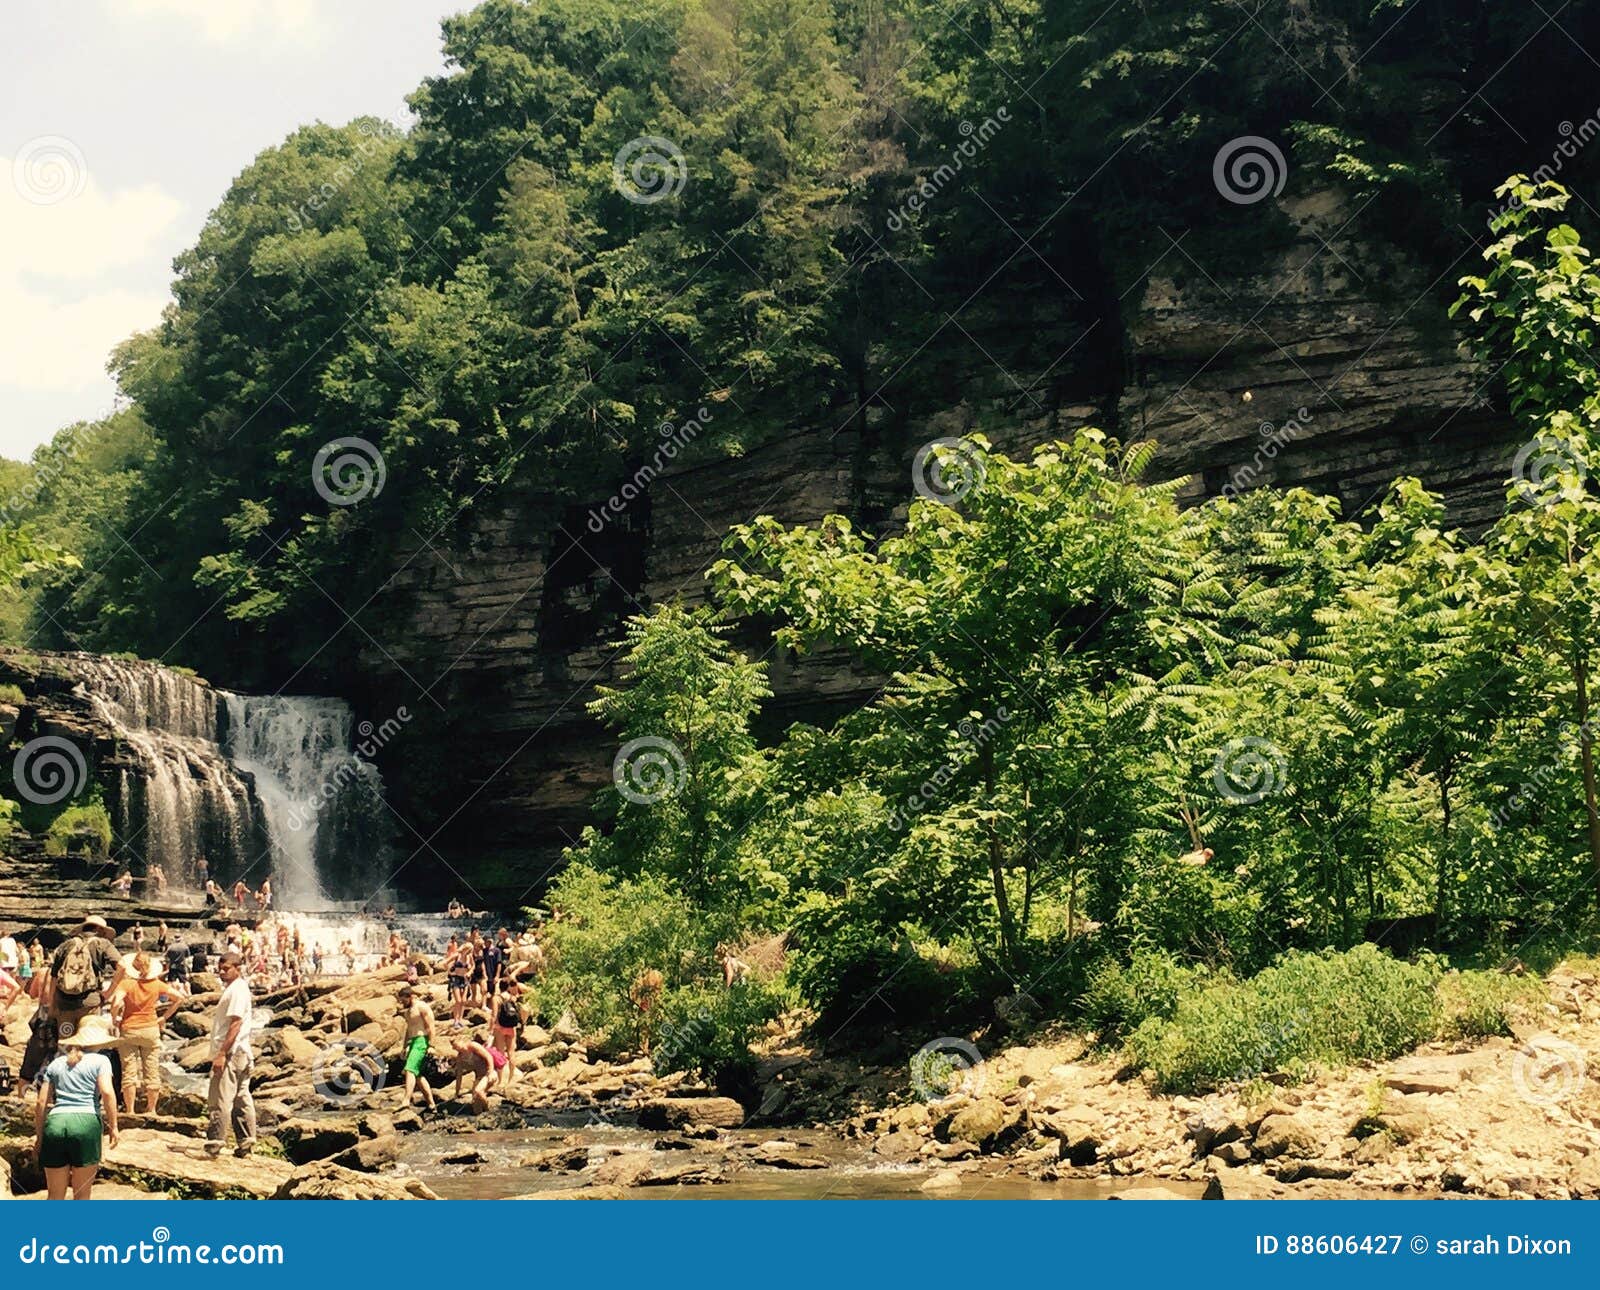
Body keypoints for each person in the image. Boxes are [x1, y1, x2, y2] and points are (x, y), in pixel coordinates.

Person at [33, 1014, 119, 1199]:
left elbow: (41, 1102)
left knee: (54, 1195)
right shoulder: (101, 1061)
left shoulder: (56, 1063)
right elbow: (107, 1092)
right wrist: (114, 1126)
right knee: (81, 1195)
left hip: (55, 1123)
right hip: (86, 1123)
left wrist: (40, 1137)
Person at [110, 952, 178, 1115]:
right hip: (150, 1029)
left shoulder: (126, 984)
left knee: (129, 1071)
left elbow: (115, 1002)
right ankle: (151, 1110)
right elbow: (179, 998)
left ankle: (130, 1110)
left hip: (129, 1029)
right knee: (152, 1070)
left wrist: (115, 1018)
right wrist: (163, 1018)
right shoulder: (156, 984)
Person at [205, 951, 255, 1159]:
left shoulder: (236, 991)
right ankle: (246, 1142)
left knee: (221, 1098)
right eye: (220, 969)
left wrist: (222, 1053)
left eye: (227, 969)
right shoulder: (238, 989)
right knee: (242, 1097)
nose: (222, 973)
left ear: (238, 968)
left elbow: (235, 1024)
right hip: (243, 1052)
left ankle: (215, 1142)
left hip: (232, 1052)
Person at [45, 915, 121, 1040]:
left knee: (66, 1043)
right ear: (98, 929)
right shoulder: (102, 944)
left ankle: (65, 1057)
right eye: (103, 931)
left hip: (64, 1004)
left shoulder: (66, 945)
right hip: (90, 1003)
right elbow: (122, 966)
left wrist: (52, 1005)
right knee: (88, 1042)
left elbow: (53, 977)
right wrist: (108, 993)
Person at [398, 985, 437, 1111]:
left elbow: (431, 1026)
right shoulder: (408, 1012)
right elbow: (408, 1031)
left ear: (410, 997)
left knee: (410, 1069)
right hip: (413, 1042)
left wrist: (431, 1045)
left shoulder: (421, 1007)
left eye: (403, 1000)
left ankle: (406, 1100)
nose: (402, 1003)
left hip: (422, 1041)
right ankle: (431, 1104)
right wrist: (404, 1047)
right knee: (418, 1075)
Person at [489, 981, 522, 1089]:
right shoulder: (512, 998)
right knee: (511, 1053)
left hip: (500, 1027)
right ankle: (511, 1078)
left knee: (501, 1054)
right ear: (507, 987)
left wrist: (491, 1028)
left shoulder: (496, 998)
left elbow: (494, 1014)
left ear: (499, 987)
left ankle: (500, 1080)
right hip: (511, 1027)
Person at [451, 1036, 496, 1112]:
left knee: (478, 1091)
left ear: (462, 1041)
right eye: (454, 1047)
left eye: (456, 1045)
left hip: (488, 1073)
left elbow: (488, 1056)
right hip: (479, 1076)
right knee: (475, 1104)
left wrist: (491, 1071)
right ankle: (480, 1114)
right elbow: (459, 1075)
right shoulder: (460, 1057)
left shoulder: (473, 1046)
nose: (455, 1048)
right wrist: (457, 1092)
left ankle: (488, 1110)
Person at [446, 938, 472, 1029]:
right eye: (468, 949)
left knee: (464, 1001)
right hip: (456, 979)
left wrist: (469, 972)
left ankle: (460, 1020)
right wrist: (450, 972)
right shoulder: (457, 955)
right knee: (458, 1001)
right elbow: (446, 962)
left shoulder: (469, 957)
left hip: (464, 979)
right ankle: (455, 1020)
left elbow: (473, 966)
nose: (469, 951)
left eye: (470, 950)